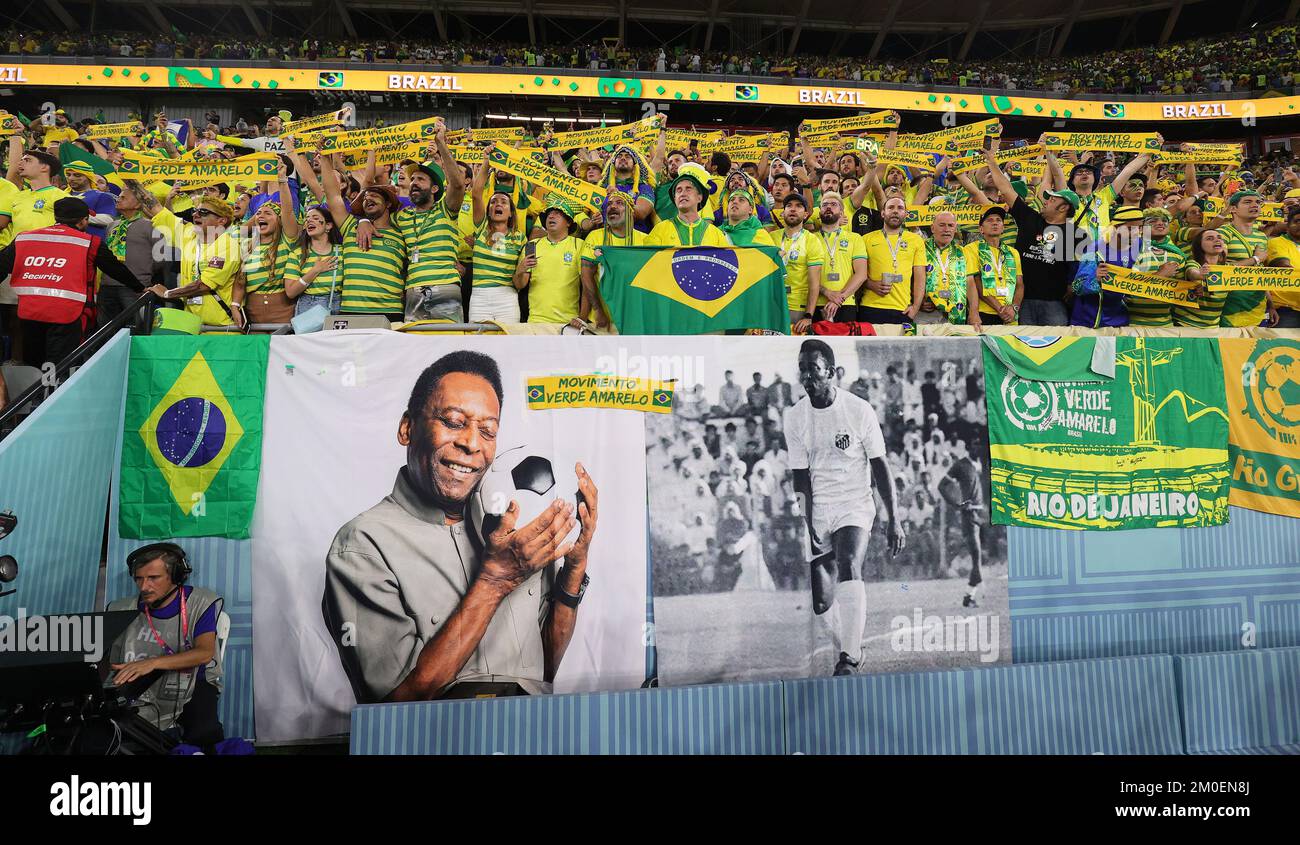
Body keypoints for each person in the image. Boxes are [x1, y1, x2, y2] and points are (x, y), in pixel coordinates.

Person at [323, 351, 599, 702]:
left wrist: (574, 568)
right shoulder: (363, 546)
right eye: (453, 422)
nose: (471, 443)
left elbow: (543, 669)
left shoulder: (516, 530)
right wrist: (494, 581)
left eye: (488, 430)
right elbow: (394, 705)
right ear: (407, 428)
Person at [785, 339, 903, 677]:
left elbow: (881, 468)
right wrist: (808, 522)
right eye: (803, 370)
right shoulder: (795, 417)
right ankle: (850, 645)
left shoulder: (858, 410)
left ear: (832, 372)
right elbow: (800, 478)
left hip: (854, 503)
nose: (807, 377)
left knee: (850, 562)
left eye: (814, 370)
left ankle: (849, 657)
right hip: (819, 507)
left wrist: (894, 518)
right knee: (822, 605)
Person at [107, 542, 225, 747]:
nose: (144, 587)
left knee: (205, 734)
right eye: (139, 579)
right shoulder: (120, 608)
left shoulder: (201, 601)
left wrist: (152, 663)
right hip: (138, 686)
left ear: (177, 575)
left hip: (194, 683)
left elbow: (204, 653)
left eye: (153, 578)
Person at [0, 197, 142, 367]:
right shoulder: (90, 242)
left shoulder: (25, 238)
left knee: (34, 365)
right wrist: (140, 287)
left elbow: (1, 265)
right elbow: (116, 270)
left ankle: (38, 393)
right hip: (68, 313)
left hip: (30, 311)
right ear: (83, 221)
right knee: (61, 367)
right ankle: (54, 392)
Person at [983, 140, 1080, 326]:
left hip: (1054, 304)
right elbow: (1005, 188)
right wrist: (991, 161)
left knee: (1056, 347)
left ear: (1064, 208)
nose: (1045, 201)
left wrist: (1071, 288)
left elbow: (1076, 271)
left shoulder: (1073, 234)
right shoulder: (1030, 218)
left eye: (1051, 200)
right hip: (1022, 302)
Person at [130, 183, 246, 330]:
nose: (195, 215)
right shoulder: (189, 234)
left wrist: (168, 293)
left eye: (203, 212)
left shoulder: (228, 245)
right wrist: (128, 175)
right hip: (192, 327)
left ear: (221, 220)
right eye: (195, 211)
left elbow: (203, 285)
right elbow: (155, 207)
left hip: (222, 328)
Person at [320, 153, 407, 321]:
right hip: (351, 309)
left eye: (374, 196)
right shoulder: (349, 225)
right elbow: (332, 195)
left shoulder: (401, 232)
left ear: (388, 204)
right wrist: (324, 157)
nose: (368, 199)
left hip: (390, 310)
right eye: (365, 198)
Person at [241, 164, 301, 325]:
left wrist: (282, 180)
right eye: (258, 214)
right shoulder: (246, 245)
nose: (261, 216)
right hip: (252, 314)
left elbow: (288, 211)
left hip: (283, 313)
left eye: (268, 213)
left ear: (279, 220)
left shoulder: (287, 240)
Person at [101, 179, 164, 329]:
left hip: (136, 287)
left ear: (137, 205)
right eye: (119, 196)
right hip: (106, 286)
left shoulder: (152, 227)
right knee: (105, 329)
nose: (118, 199)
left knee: (135, 327)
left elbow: (160, 260)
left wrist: (144, 274)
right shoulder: (112, 225)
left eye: (123, 197)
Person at [578, 191, 645, 328]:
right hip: (602, 323)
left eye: (619, 203)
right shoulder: (595, 237)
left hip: (635, 322)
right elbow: (586, 277)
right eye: (609, 204)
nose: (612, 206)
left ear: (632, 213)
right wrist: (598, 310)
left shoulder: (646, 240)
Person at [857, 196, 925, 324]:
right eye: (890, 207)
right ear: (883, 213)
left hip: (902, 309)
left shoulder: (916, 240)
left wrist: (915, 307)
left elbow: (920, 277)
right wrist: (871, 284)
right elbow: (856, 273)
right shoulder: (866, 239)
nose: (895, 211)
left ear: (905, 214)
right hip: (870, 307)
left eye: (900, 208)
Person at [518, 199, 583, 324]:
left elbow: (587, 284)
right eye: (549, 214)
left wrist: (582, 317)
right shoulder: (532, 245)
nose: (551, 216)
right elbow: (520, 285)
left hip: (569, 322)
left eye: (558, 213)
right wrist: (520, 270)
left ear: (568, 222)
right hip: (536, 320)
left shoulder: (579, 245)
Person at [1217, 189, 1276, 327]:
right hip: (1231, 304)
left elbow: (1260, 273)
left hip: (1258, 305)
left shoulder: (1261, 236)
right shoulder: (1222, 233)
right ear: (1233, 209)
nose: (1255, 205)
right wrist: (1255, 259)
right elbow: (1219, 270)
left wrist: (1271, 305)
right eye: (1247, 202)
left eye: (1258, 202)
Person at [1126, 207, 1190, 327]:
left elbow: (1182, 291)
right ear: (1141, 227)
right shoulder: (1131, 251)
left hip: (1168, 325)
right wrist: (1161, 275)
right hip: (1133, 324)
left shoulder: (1177, 255)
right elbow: (1128, 290)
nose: (1160, 223)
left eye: (1164, 220)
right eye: (1152, 221)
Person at [965, 206, 1024, 328]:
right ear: (981, 229)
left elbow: (1019, 284)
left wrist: (1014, 308)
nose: (995, 223)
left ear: (1003, 228)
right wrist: (1000, 309)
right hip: (984, 313)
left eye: (998, 220)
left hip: (1010, 315)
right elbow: (976, 282)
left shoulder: (1013, 252)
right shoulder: (972, 249)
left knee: (1008, 346)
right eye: (989, 220)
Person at [814, 192, 868, 323]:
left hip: (846, 303)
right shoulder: (810, 238)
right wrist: (827, 292)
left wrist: (840, 298)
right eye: (824, 205)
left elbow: (861, 274)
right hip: (815, 303)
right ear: (819, 212)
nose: (828, 207)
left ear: (842, 213)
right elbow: (804, 274)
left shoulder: (855, 238)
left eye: (834, 204)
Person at [646, 163, 729, 247]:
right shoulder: (660, 230)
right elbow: (649, 258)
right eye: (679, 190)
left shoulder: (716, 234)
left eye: (688, 189)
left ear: (699, 197)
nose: (682, 193)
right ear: (675, 199)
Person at [776, 194, 825, 333]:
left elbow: (814, 283)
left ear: (805, 215)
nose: (793, 209)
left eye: (798, 206)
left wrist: (808, 315)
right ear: (782, 212)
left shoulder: (812, 240)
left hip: (797, 307)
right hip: (772, 305)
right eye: (789, 206)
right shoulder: (771, 237)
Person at [286, 203, 344, 318]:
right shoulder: (297, 254)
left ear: (328, 225)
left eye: (315, 218)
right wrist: (315, 270)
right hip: (308, 308)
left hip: (339, 306)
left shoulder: (342, 252)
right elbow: (290, 292)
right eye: (307, 219)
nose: (309, 221)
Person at [920, 210, 969, 325]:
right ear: (932, 228)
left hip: (955, 311)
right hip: (926, 311)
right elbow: (911, 276)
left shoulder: (963, 252)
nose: (946, 229)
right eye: (942, 225)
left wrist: (974, 312)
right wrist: (917, 300)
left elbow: (970, 283)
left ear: (955, 229)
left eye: (950, 225)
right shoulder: (921, 247)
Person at [1265, 205, 1300, 328]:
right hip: (1285, 308)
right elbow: (1284, 268)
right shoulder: (1276, 242)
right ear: (1287, 225)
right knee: (1284, 346)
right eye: (1297, 221)